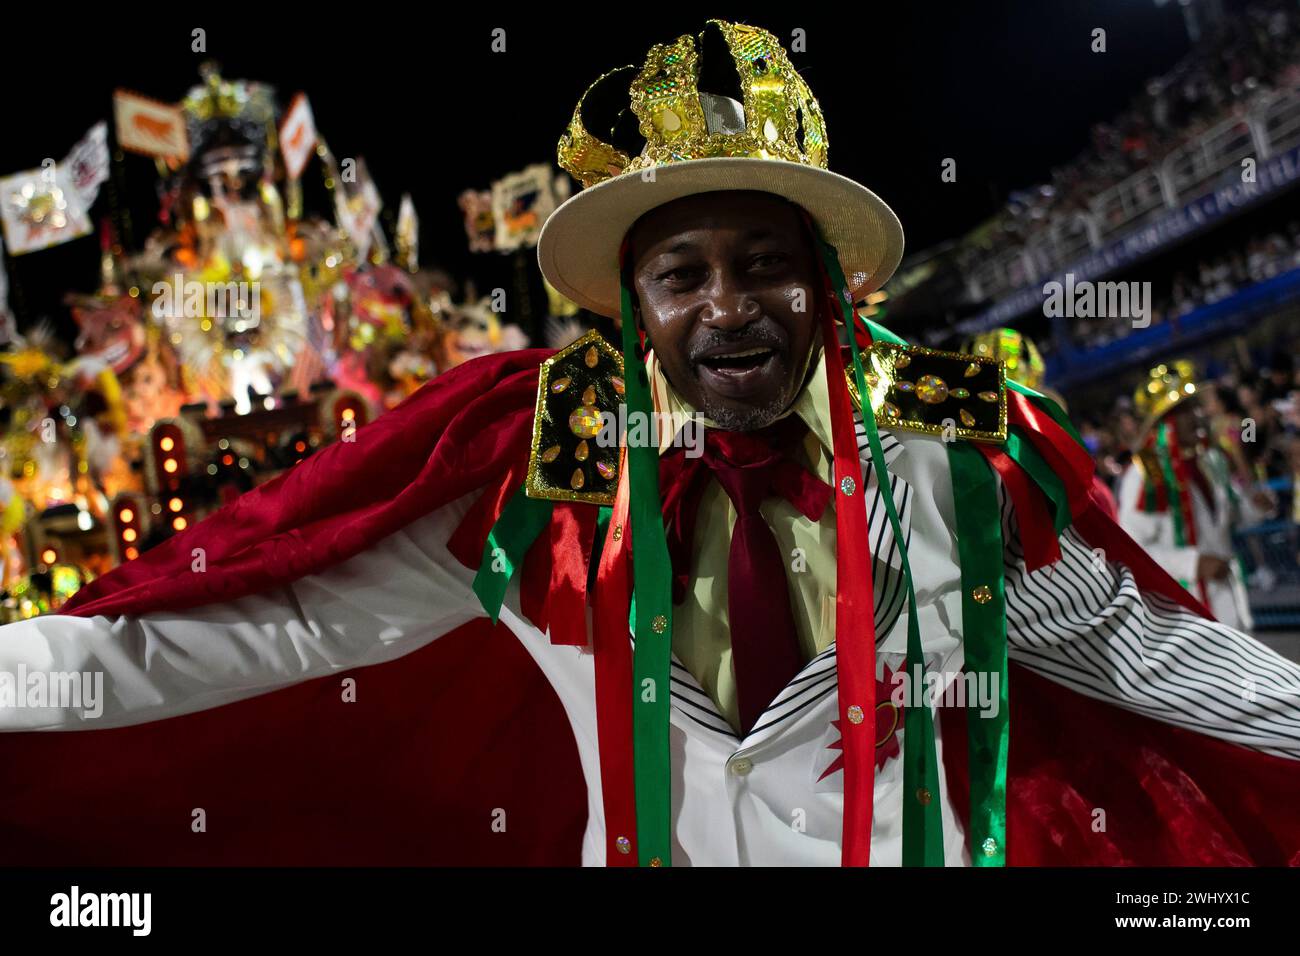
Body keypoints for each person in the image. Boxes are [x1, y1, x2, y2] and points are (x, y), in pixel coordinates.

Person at [1, 20, 1298, 867]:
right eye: (683, 273)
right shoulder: (543, 466)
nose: (728, 304)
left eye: (765, 266)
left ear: (827, 289)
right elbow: (274, 626)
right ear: (631, 307)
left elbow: (1139, 646)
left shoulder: (946, 438)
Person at [1118, 360, 1273, 631]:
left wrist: (1256, 506)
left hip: (1231, 606)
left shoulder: (1212, 460)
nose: (1196, 415)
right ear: (1163, 422)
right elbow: (1131, 551)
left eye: (1194, 406)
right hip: (1185, 618)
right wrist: (1192, 563)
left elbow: (1234, 517)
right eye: (1183, 410)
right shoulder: (1144, 475)